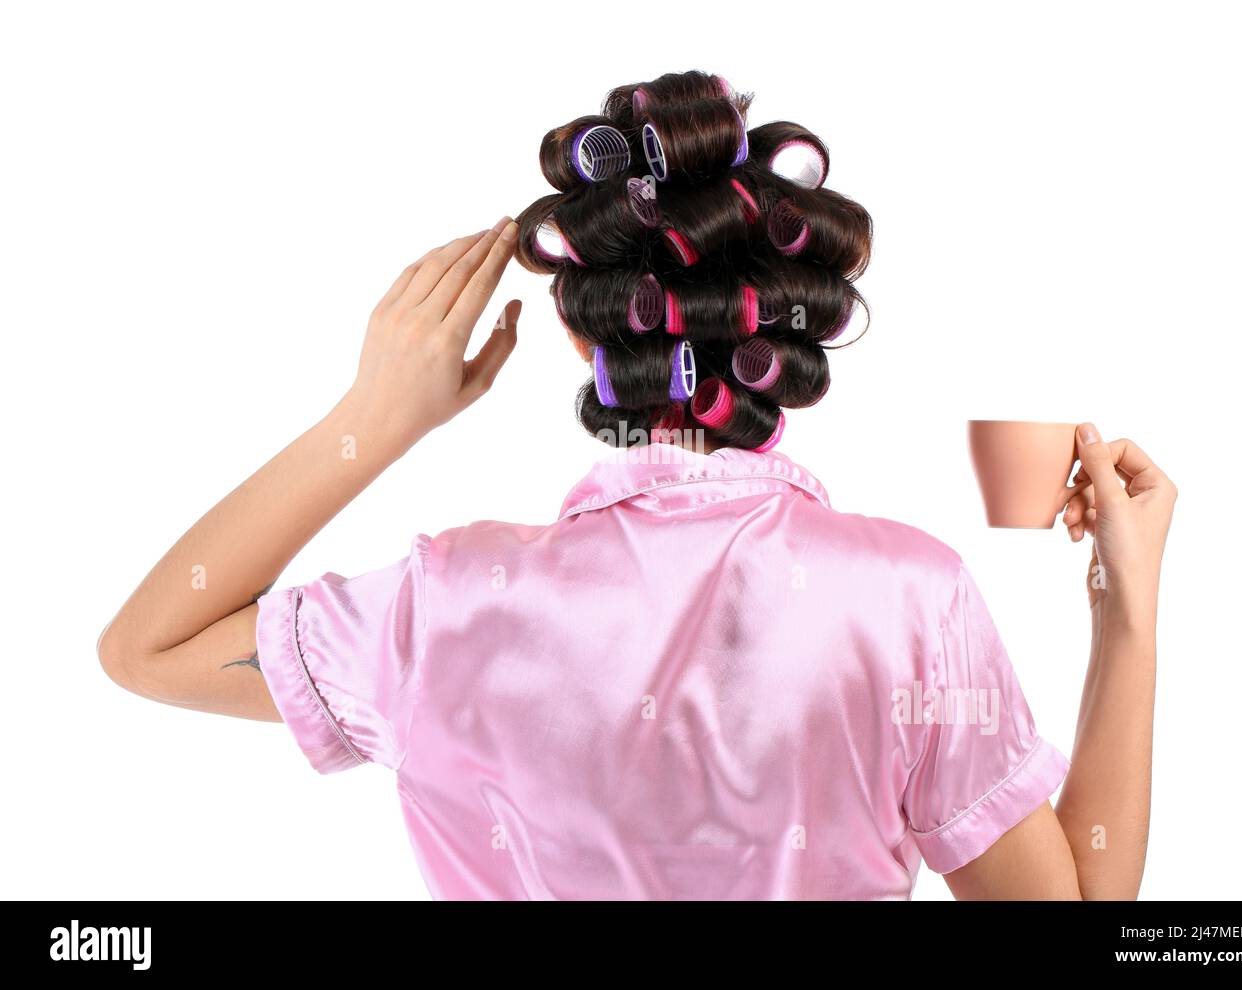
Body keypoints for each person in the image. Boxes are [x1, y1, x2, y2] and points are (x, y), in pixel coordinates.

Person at [98, 73, 1176, 900]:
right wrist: (1125, 614)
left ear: (583, 333)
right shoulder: (911, 602)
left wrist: (368, 424)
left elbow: (145, 650)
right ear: (786, 325)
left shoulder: (443, 609)